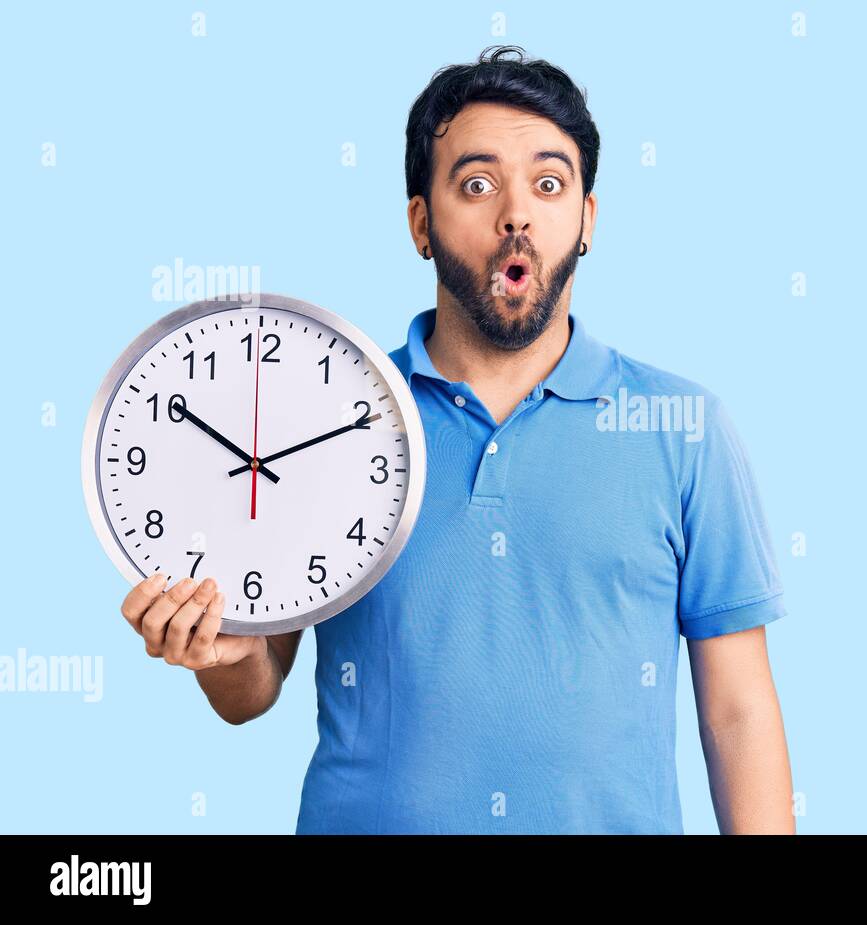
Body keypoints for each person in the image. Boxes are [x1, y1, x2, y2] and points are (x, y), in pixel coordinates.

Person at [118, 45, 793, 834]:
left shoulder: (684, 428)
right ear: (420, 222)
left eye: (549, 183)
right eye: (476, 184)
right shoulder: (321, 423)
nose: (516, 213)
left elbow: (739, 712)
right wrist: (224, 657)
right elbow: (257, 686)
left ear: (588, 219)